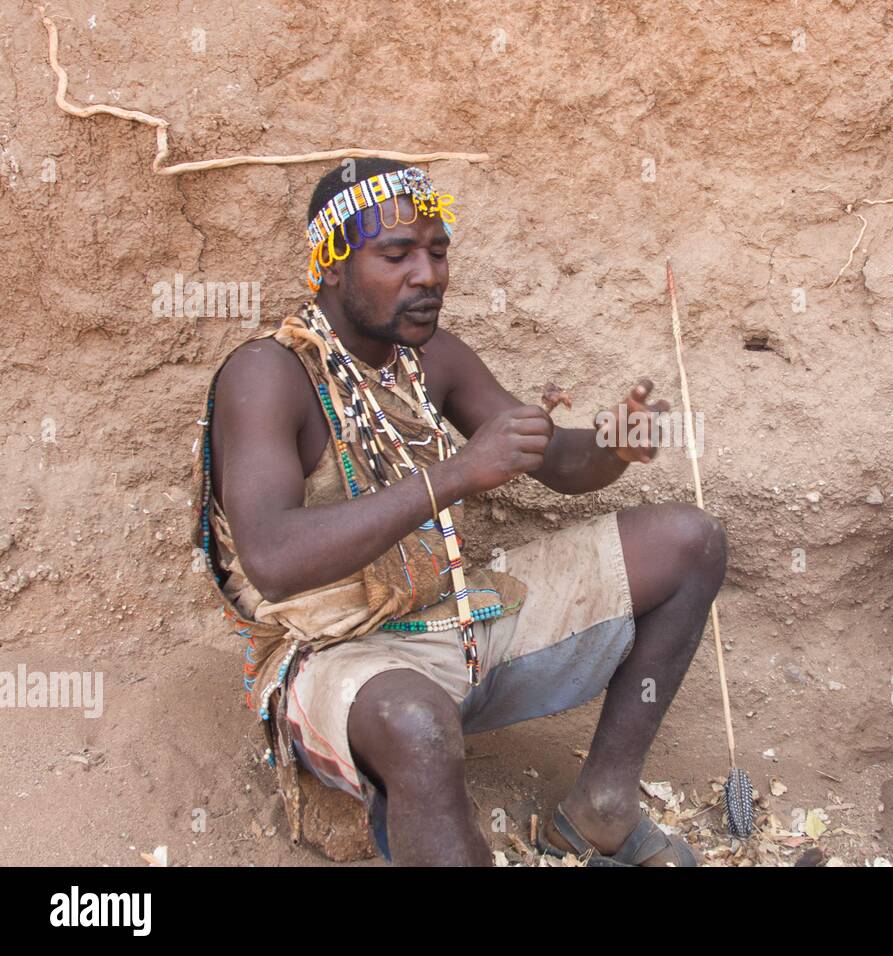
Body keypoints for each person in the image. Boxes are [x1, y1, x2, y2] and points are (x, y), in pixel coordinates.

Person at [190, 158, 726, 866]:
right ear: (331, 265)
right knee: (418, 725)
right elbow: (274, 558)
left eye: (438, 251)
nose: (427, 274)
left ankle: (602, 809)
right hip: (332, 659)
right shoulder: (267, 374)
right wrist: (456, 474)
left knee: (690, 539)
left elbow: (559, 465)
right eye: (397, 254)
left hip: (455, 618)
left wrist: (613, 445)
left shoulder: (428, 357)